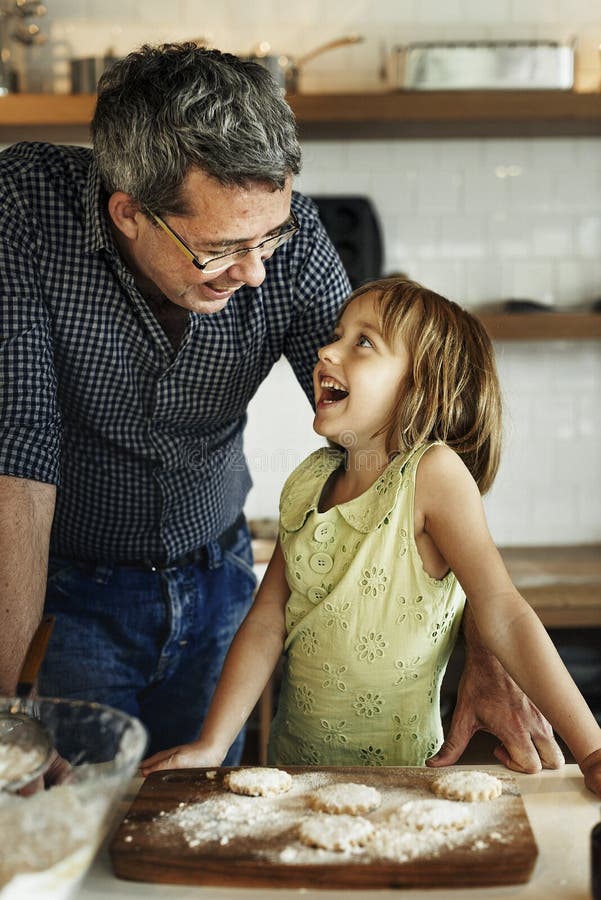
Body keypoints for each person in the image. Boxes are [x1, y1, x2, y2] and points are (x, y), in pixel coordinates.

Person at [0, 44, 562, 771]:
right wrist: (8, 715)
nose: (257, 269)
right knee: (75, 823)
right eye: (222, 247)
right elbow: (19, 450)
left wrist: (488, 649)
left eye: (271, 233)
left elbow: (402, 436)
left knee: (201, 822)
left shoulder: (283, 244)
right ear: (130, 213)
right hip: (64, 592)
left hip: (219, 584)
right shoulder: (22, 210)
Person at [141, 277, 601, 798]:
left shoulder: (434, 476)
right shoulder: (308, 480)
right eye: (338, 333)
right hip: (294, 776)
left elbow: (505, 612)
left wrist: (592, 747)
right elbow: (267, 621)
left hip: (403, 782)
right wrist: (211, 744)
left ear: (420, 385)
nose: (327, 349)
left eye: (363, 341)